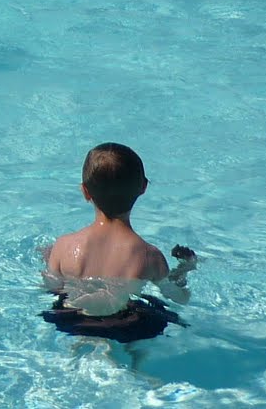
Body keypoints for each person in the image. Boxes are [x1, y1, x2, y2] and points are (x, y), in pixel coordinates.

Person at [41, 143, 196, 342]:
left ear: (85, 192)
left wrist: (50, 257)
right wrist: (186, 268)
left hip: (70, 321)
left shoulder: (63, 246)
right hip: (127, 326)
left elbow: (51, 286)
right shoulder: (149, 256)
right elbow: (179, 298)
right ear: (143, 188)